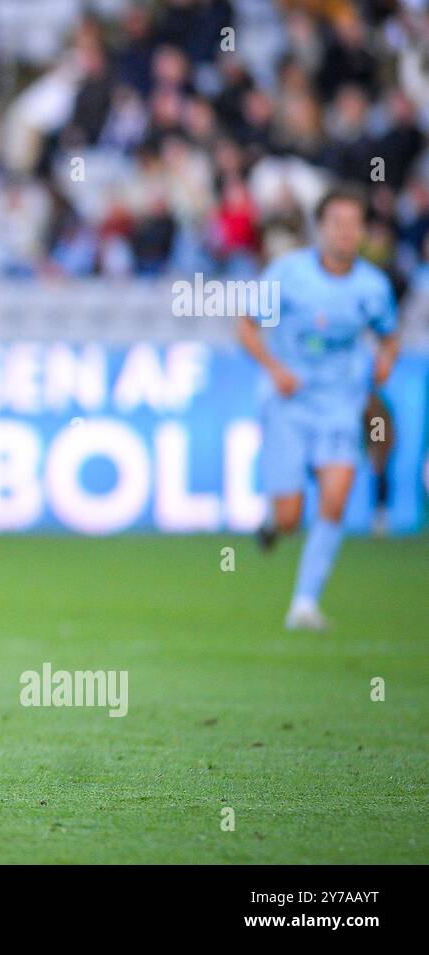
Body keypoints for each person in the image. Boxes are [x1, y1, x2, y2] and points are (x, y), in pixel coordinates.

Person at [237, 185, 399, 631]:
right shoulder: (288, 274)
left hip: (340, 404)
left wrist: (386, 360)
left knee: (336, 496)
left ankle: (304, 603)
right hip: (289, 401)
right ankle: (275, 521)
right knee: (291, 516)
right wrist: (274, 368)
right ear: (321, 228)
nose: (346, 233)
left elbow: (389, 335)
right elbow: (247, 326)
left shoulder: (373, 285)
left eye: (354, 225)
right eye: (337, 224)